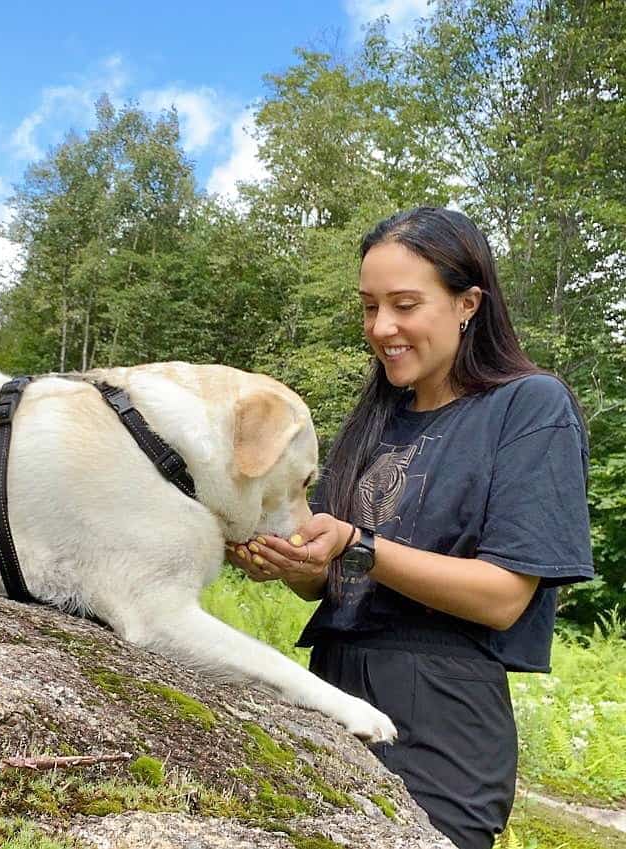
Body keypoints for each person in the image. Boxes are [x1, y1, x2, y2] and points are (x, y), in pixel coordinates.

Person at [227, 207, 594, 849]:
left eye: (404, 304)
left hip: (443, 710)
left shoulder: (530, 405)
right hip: (332, 684)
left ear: (467, 303)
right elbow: (330, 581)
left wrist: (357, 546)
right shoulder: (374, 420)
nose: (381, 327)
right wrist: (296, 563)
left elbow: (504, 597)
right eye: (370, 307)